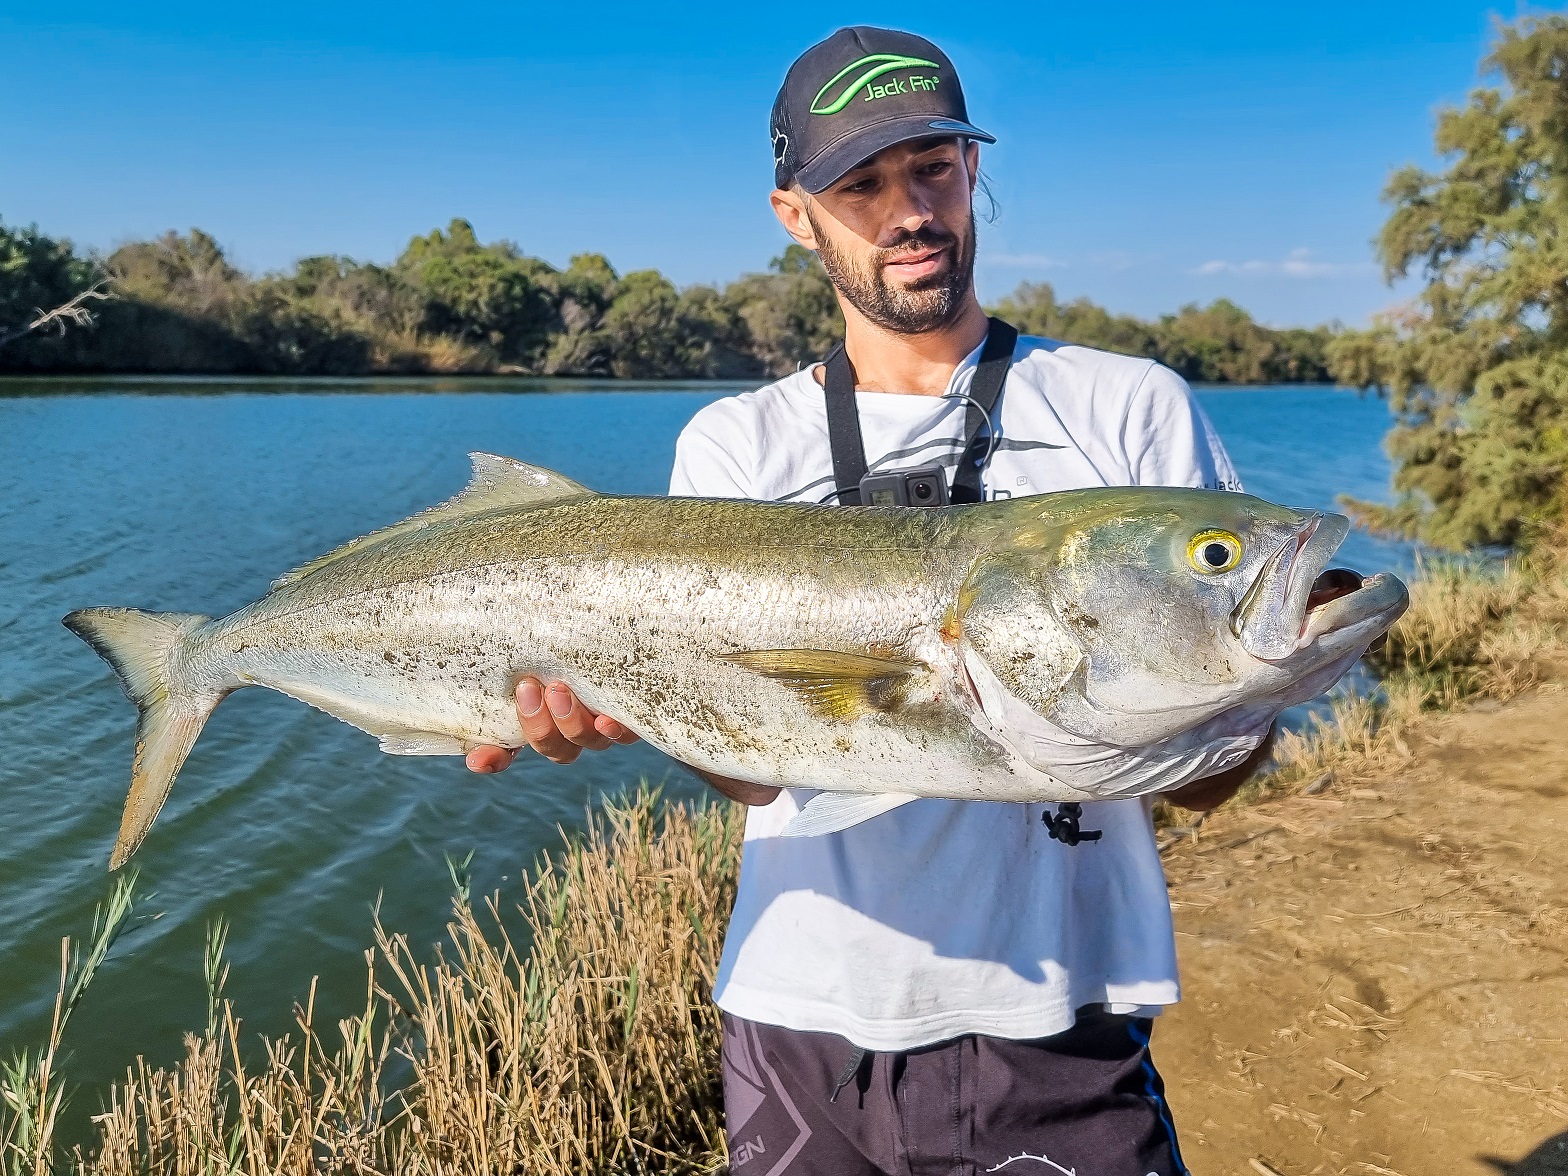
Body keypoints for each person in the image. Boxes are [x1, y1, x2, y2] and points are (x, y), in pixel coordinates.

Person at [467, 26, 1273, 1176]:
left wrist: (1245, 691)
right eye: (861, 183)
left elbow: (1217, 781)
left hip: (1059, 1023)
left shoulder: (1129, 413)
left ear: (971, 171)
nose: (911, 211)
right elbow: (756, 773)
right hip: (797, 1023)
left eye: (932, 168)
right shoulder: (733, 445)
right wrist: (623, 704)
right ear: (794, 214)